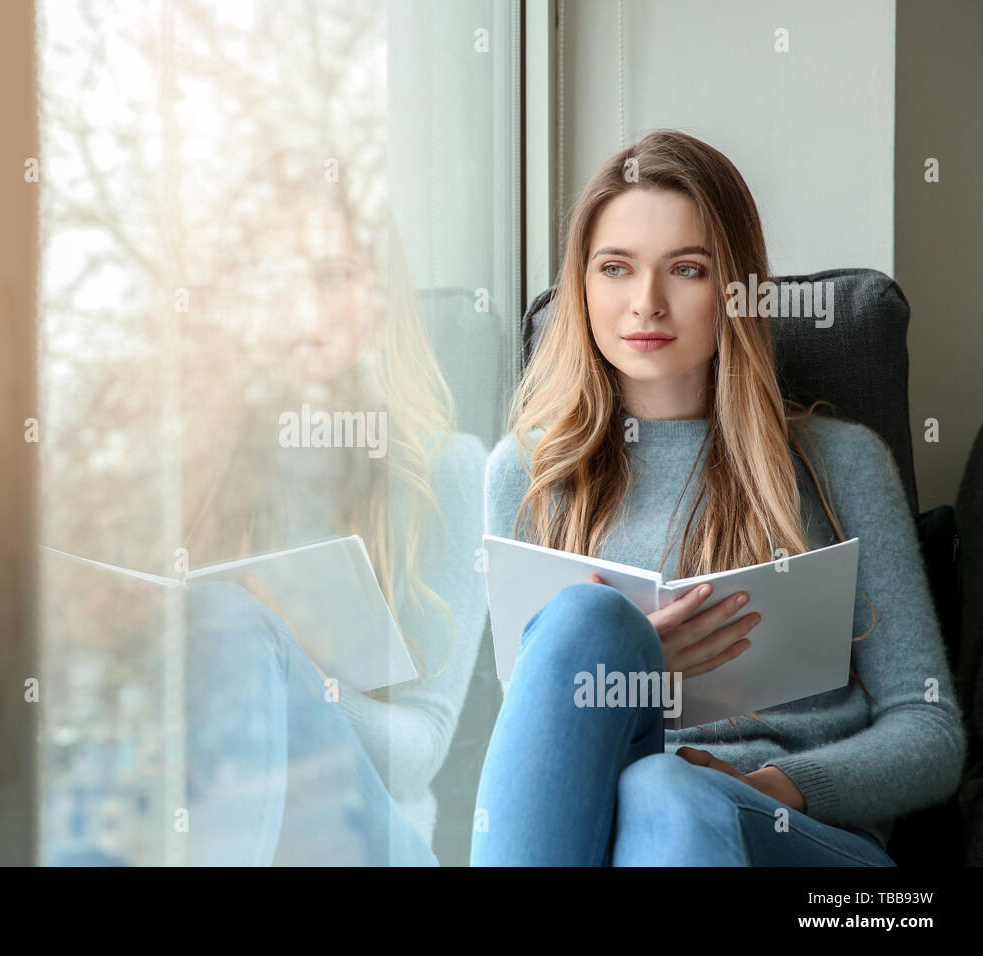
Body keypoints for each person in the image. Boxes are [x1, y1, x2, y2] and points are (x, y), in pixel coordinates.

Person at [471, 129, 967, 866]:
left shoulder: (842, 464)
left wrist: (774, 782)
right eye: (615, 268)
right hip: (605, 836)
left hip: (794, 836)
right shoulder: (526, 474)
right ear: (582, 286)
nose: (646, 303)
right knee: (587, 625)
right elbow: (540, 756)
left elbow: (929, 730)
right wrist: (635, 671)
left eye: (687, 269)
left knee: (664, 791)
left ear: (735, 289)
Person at [108, 146, 487, 866]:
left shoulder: (445, 472)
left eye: (334, 277)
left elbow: (419, 757)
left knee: (231, 617)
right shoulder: (202, 469)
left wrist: (294, 666)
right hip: (220, 819)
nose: (302, 311)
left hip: (367, 835)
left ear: (378, 297)